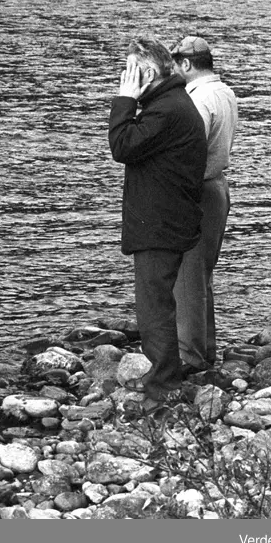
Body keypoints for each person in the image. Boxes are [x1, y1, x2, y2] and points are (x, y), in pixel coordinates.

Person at [108, 37, 207, 416]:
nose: (124, 76)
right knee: (157, 304)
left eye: (130, 70)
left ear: (147, 73)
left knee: (154, 309)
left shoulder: (166, 110)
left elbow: (121, 146)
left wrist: (125, 99)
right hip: (166, 220)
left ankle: (164, 386)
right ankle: (164, 375)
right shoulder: (170, 103)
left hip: (160, 225)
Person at [170, 36, 239, 374]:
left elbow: (189, 152)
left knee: (187, 275)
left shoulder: (197, 100)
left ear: (186, 64)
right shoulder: (225, 92)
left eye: (174, 64)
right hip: (217, 186)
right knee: (202, 274)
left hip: (196, 190)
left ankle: (190, 356)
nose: (172, 70)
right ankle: (205, 350)